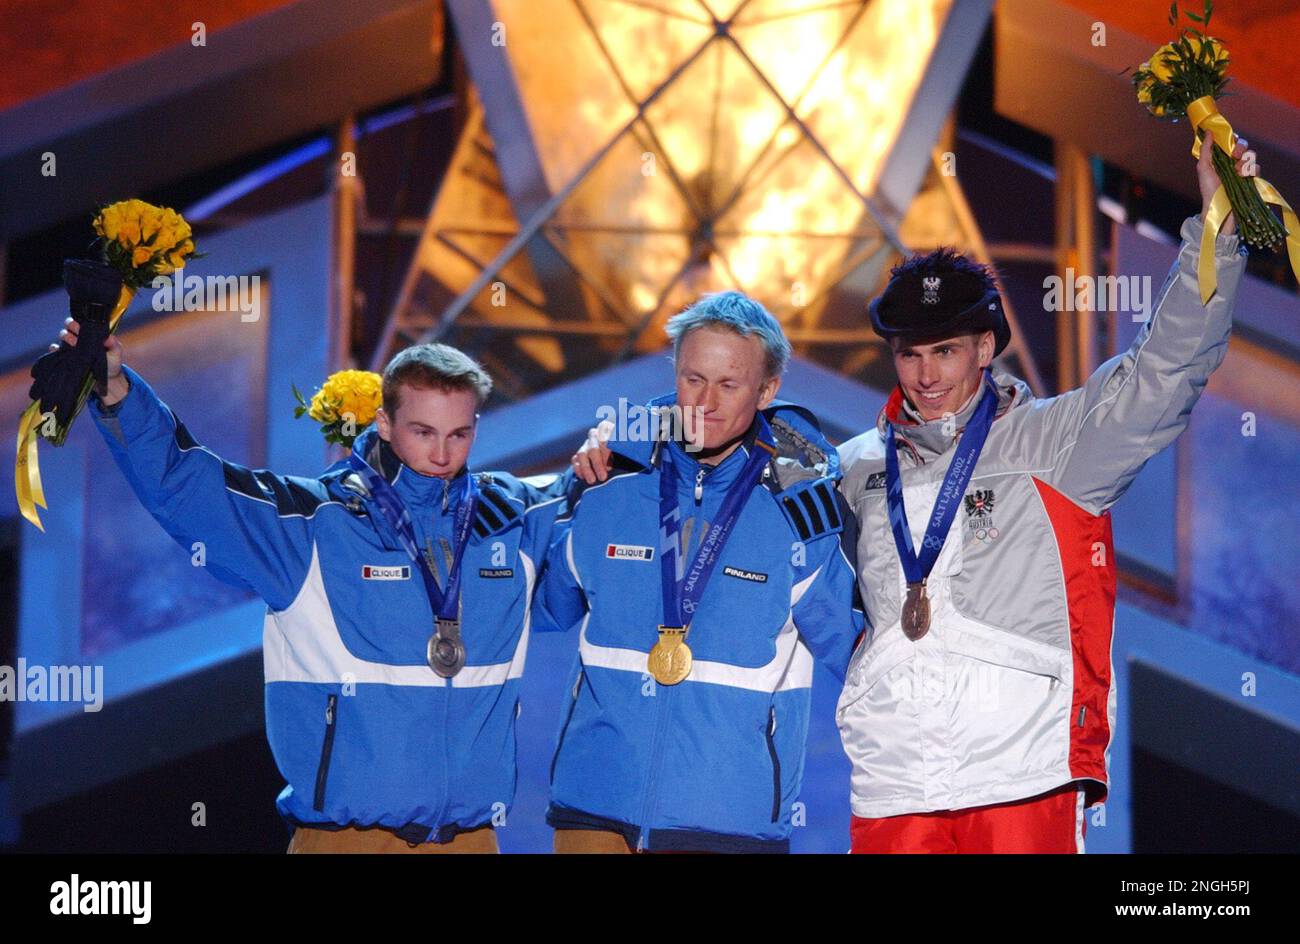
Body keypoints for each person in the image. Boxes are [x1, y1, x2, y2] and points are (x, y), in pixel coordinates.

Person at [830, 135, 1257, 853]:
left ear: (986, 347)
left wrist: (1219, 223)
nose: (926, 374)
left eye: (946, 350)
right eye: (910, 353)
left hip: (1022, 772)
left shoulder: (1058, 445)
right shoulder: (852, 470)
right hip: (893, 782)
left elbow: (1166, 367)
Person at [58, 321, 571, 853]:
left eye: (459, 434)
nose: (442, 454)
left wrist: (607, 458)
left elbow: (597, 526)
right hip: (344, 840)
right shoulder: (313, 523)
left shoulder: (510, 520)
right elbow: (190, 485)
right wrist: (118, 392)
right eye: (423, 431)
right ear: (385, 423)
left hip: (470, 840)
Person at [539, 290, 863, 853]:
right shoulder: (609, 485)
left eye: (729, 385)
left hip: (728, 822)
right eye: (693, 379)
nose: (705, 402)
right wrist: (574, 491)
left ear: (767, 391)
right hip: (592, 811)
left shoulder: (799, 514)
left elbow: (860, 656)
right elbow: (545, 608)